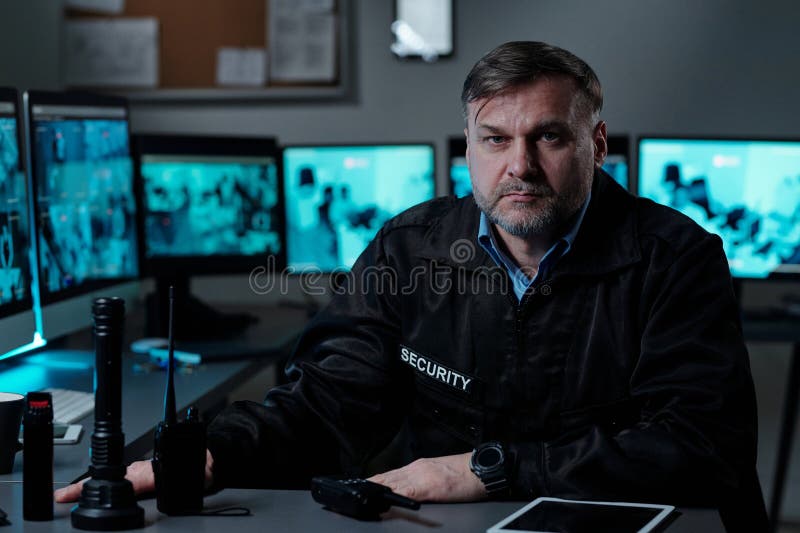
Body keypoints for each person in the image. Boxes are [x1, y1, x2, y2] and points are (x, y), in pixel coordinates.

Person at [56, 41, 767, 530]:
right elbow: (328, 403)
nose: (519, 165)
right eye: (494, 139)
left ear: (597, 144)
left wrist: (489, 468)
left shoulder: (676, 259)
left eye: (548, 136)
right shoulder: (407, 248)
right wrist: (216, 454)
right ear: (467, 149)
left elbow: (701, 448)